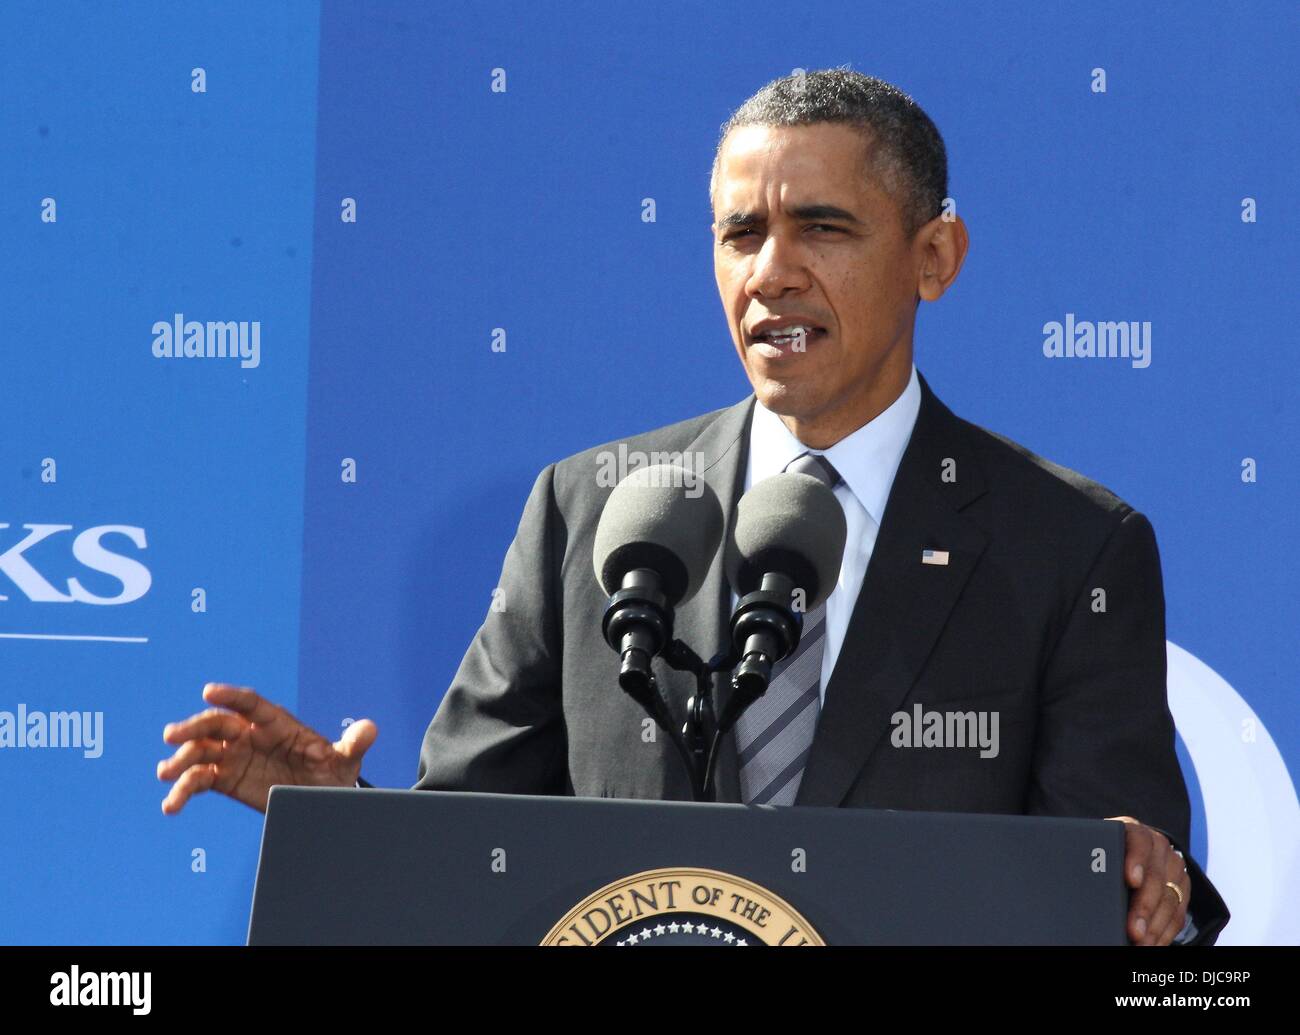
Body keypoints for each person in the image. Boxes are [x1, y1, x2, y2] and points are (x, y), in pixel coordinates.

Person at [158, 68, 1229, 945]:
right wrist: (348, 828)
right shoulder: (592, 509)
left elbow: (1112, 879)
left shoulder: (1072, 546)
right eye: (739, 234)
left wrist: (1131, 878)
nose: (772, 273)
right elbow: (472, 854)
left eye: (824, 228)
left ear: (934, 256)